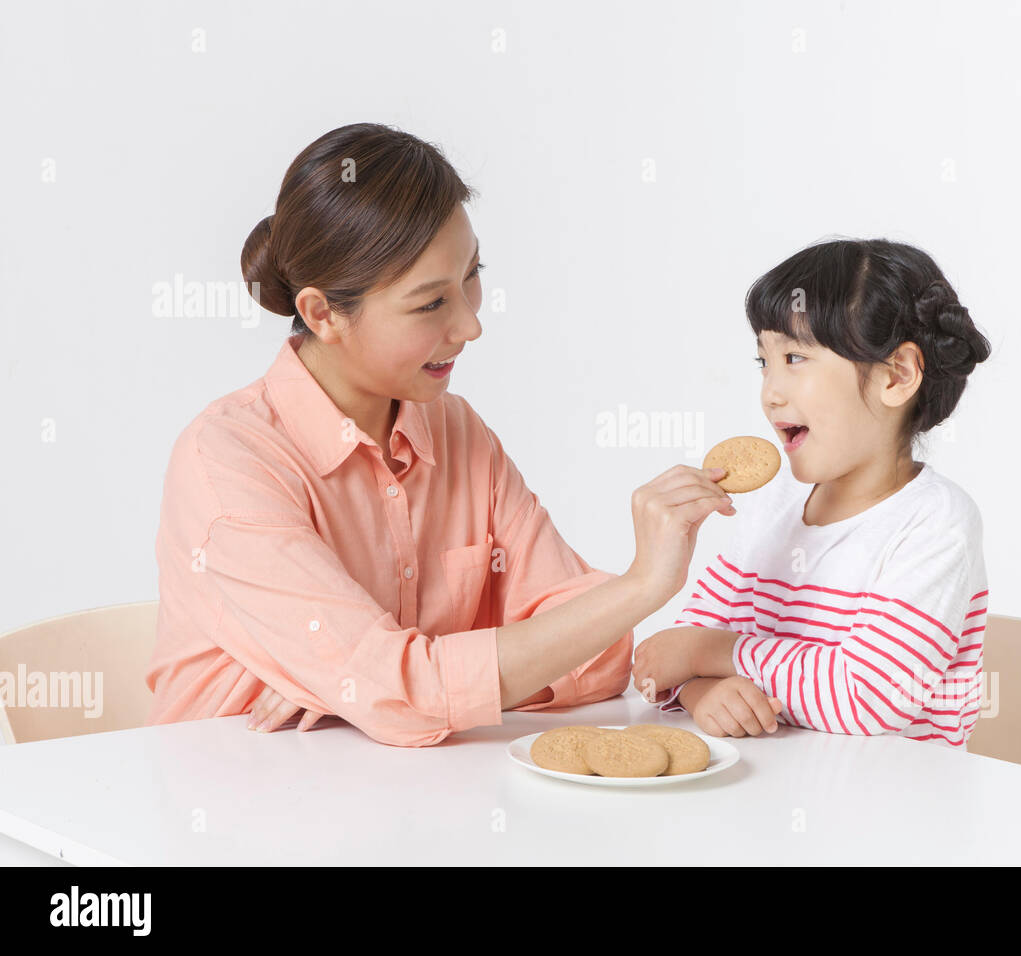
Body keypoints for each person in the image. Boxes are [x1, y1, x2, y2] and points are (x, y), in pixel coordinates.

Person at [144, 123, 734, 747]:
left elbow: (600, 658)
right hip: (233, 814)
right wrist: (640, 586)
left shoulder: (455, 430)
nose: (471, 325)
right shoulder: (228, 463)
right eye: (430, 304)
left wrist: (383, 686)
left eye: (472, 277)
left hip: (415, 805)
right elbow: (411, 698)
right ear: (323, 315)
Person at [631, 238, 992, 747]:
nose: (770, 392)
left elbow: (870, 694)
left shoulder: (935, 523)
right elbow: (664, 657)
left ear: (897, 375)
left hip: (892, 811)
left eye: (795, 357)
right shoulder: (768, 503)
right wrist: (700, 693)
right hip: (772, 799)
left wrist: (713, 656)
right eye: (764, 362)